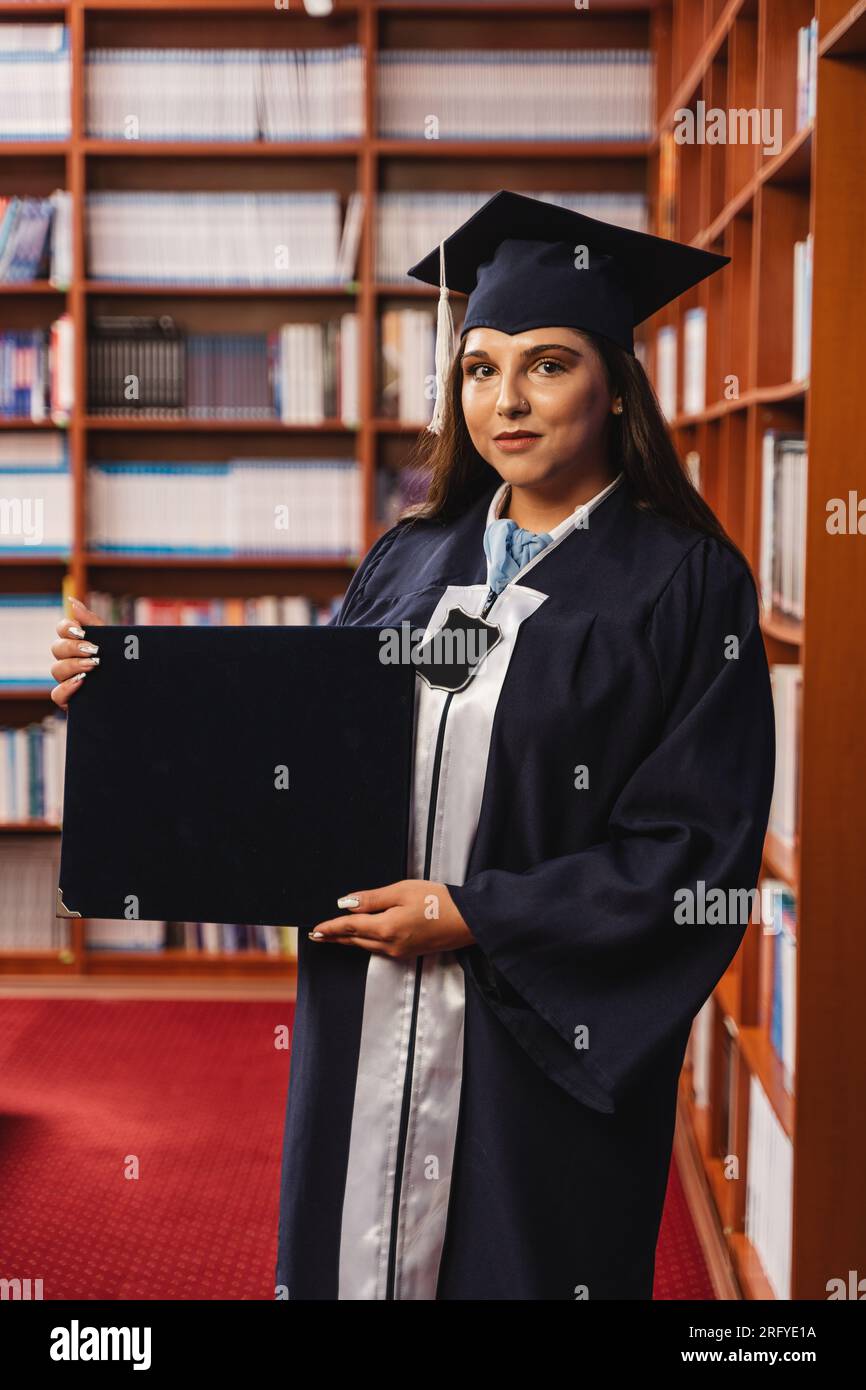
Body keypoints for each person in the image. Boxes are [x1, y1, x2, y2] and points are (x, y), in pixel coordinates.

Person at [49, 189, 776, 1302]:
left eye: (546, 364)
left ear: (614, 385)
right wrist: (125, 718)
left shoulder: (682, 585)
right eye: (479, 368)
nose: (506, 401)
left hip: (534, 1038)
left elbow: (696, 854)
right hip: (363, 1000)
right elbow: (299, 763)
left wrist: (477, 912)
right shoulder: (409, 557)